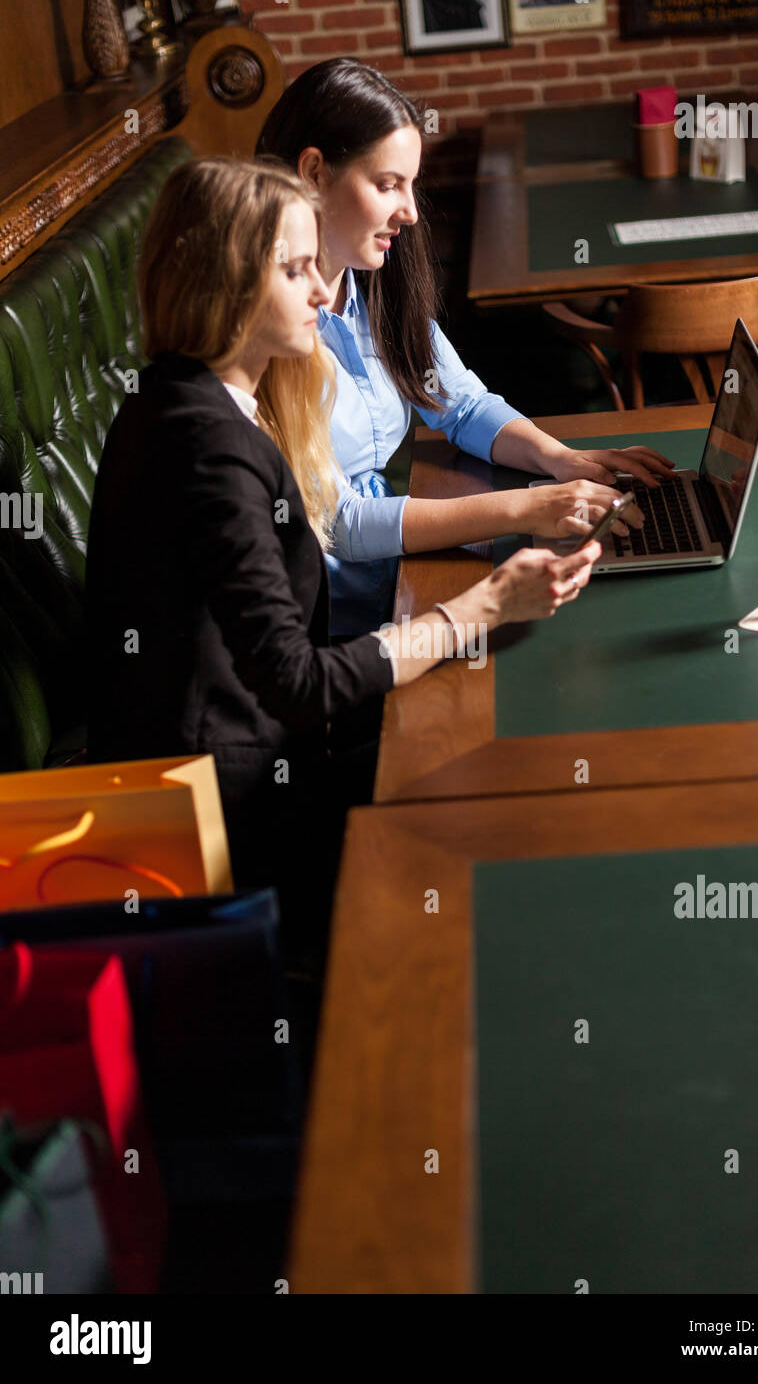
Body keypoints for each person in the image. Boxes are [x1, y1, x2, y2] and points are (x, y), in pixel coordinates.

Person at [85, 156, 601, 977]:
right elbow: (301, 684)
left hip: (251, 764)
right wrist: (480, 610)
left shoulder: (180, 399)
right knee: (512, 781)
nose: (324, 294)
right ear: (228, 287)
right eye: (295, 272)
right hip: (231, 812)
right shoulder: (209, 448)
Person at [257, 58, 674, 639]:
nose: (410, 211)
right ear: (314, 173)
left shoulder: (374, 282)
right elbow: (336, 523)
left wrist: (563, 461)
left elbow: (462, 406)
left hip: (398, 579)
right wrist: (527, 507)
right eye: (387, 184)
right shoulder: (267, 329)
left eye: (411, 184)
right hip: (329, 625)